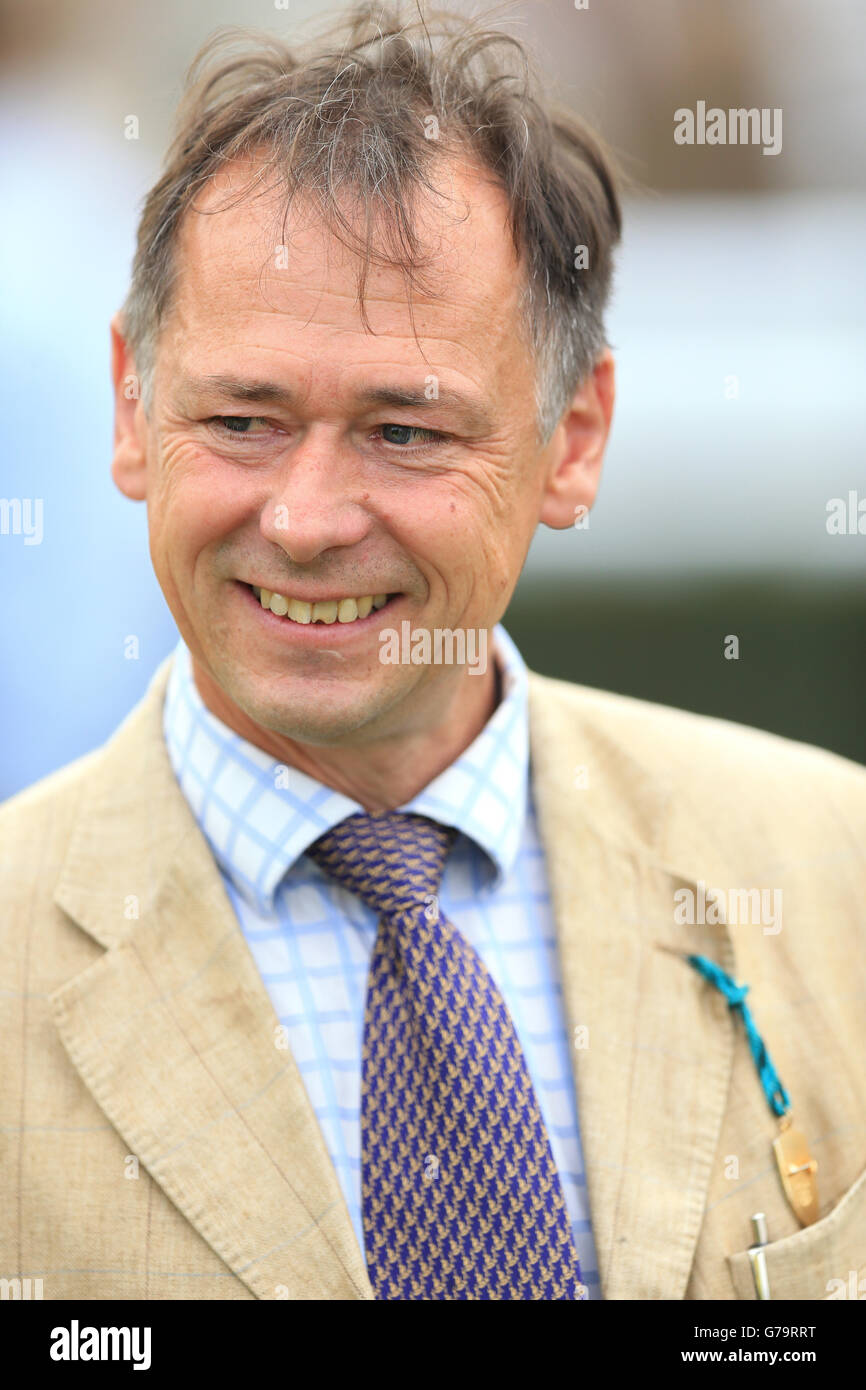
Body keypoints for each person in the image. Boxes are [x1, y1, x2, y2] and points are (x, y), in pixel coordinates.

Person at [2, 2, 864, 1302]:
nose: (300, 518)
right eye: (240, 418)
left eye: (403, 433)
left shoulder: (830, 871)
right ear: (131, 408)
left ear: (573, 436)